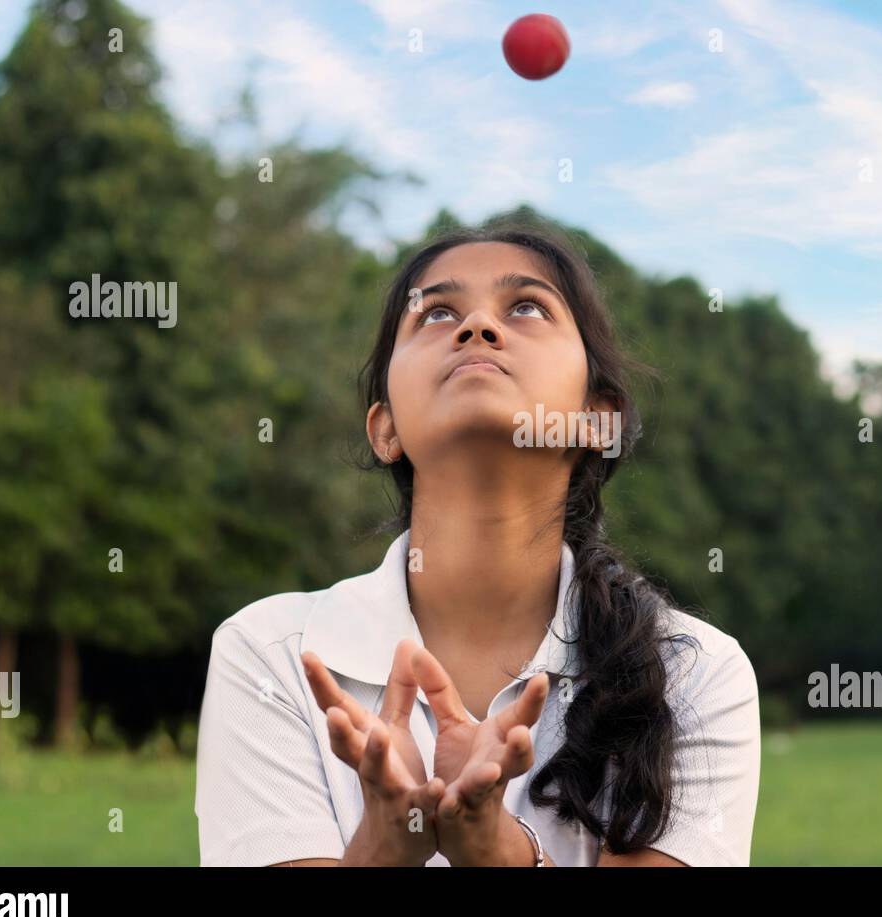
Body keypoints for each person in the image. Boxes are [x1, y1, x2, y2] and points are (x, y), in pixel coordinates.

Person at [194, 222, 761, 866]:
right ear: (385, 430)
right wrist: (385, 844)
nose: (477, 329)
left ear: (598, 420)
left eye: (526, 307)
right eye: (436, 313)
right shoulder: (271, 655)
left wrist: (501, 853)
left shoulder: (694, 673)